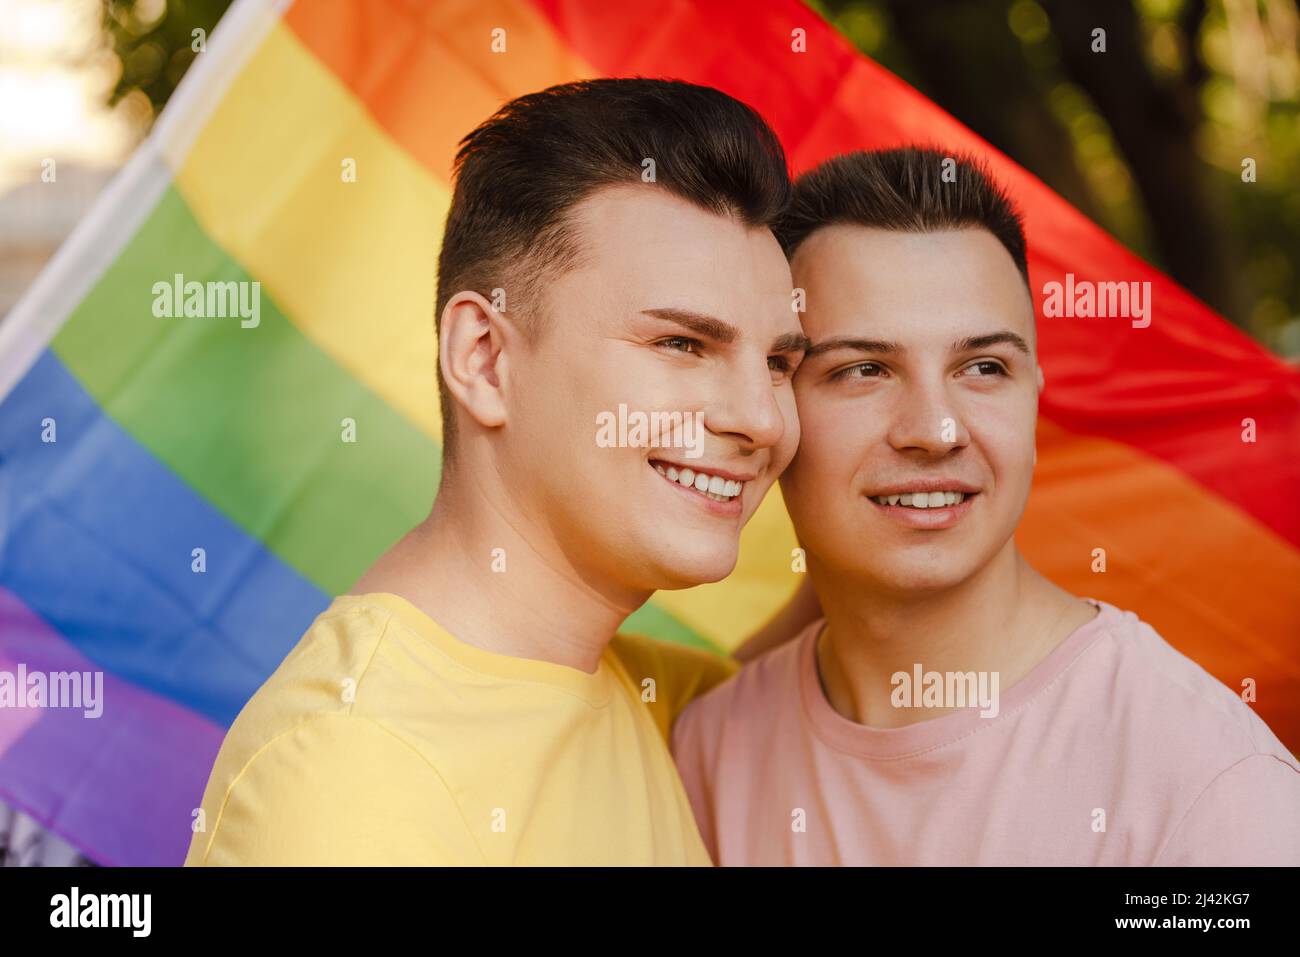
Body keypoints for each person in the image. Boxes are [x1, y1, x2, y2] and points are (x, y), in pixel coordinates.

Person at [185, 78, 809, 865]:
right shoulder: (351, 773)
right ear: (483, 358)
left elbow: (860, 673)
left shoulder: (655, 697)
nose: (760, 418)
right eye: (682, 344)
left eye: (781, 361)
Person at [672, 147, 1300, 866]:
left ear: (1034, 391)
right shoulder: (705, 749)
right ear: (773, 404)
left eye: (983, 368)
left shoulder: (1212, 791)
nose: (935, 431)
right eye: (864, 369)